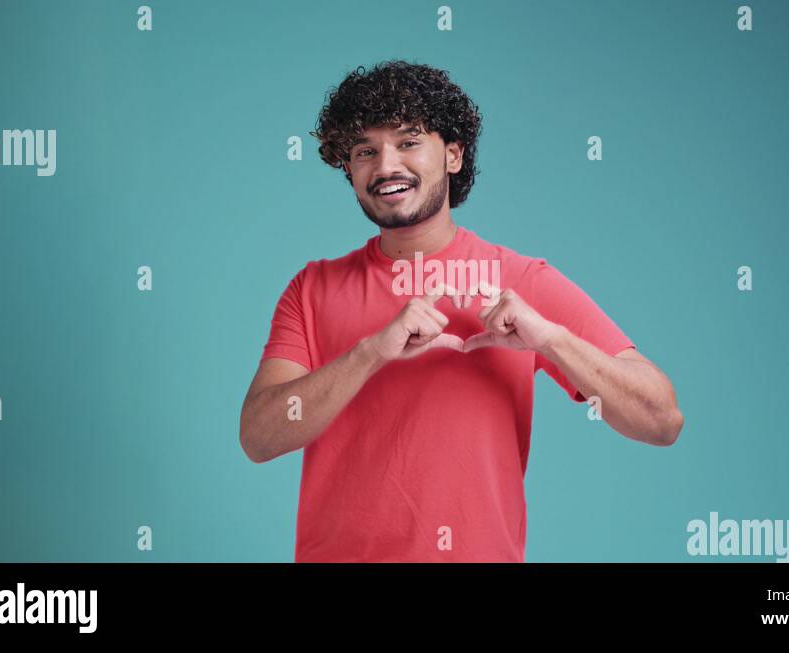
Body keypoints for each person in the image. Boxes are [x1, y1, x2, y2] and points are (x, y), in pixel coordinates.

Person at [240, 60, 684, 562]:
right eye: (365, 150)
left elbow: (661, 419)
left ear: (452, 155)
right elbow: (259, 437)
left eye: (409, 142)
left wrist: (551, 340)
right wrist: (369, 353)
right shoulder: (313, 288)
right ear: (349, 168)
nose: (386, 165)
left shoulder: (519, 280)